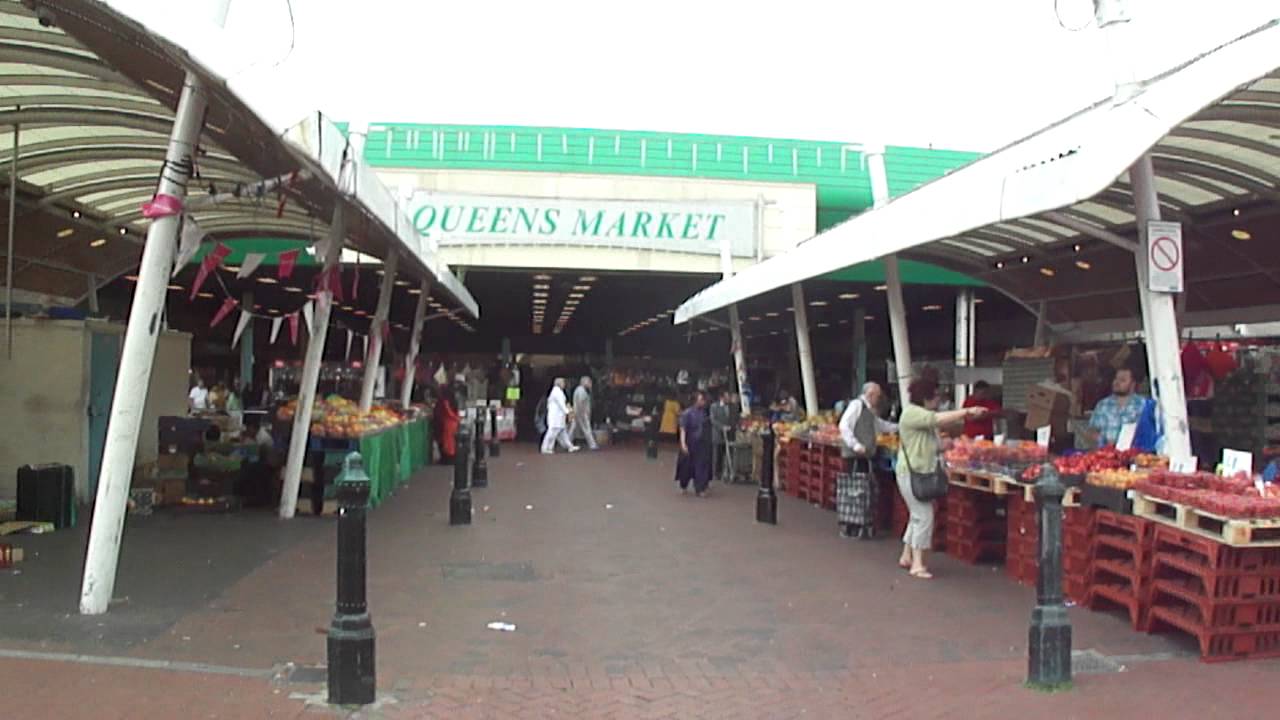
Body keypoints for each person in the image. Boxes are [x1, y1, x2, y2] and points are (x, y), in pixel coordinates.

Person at [896, 378, 988, 579]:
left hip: (916, 471)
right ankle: (918, 564)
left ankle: (907, 556)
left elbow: (931, 443)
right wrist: (967, 412)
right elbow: (935, 419)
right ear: (926, 397)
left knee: (916, 514)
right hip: (913, 472)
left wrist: (947, 445)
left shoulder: (918, 417)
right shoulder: (912, 413)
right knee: (925, 515)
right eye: (936, 395)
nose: (938, 400)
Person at [837, 382, 899, 539]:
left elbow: (879, 425)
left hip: (865, 455)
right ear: (870, 395)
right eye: (878, 396)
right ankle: (851, 523)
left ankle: (858, 521)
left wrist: (898, 427)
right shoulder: (857, 405)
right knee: (854, 490)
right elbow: (844, 425)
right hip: (855, 455)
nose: (879, 399)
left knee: (862, 490)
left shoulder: (869, 410)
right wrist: (856, 445)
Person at [1087, 367, 1147, 446]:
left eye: (1122, 380)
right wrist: (1103, 441)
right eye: (1116, 379)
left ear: (1133, 384)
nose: (1117, 382)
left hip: (1134, 453)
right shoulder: (1103, 404)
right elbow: (1092, 430)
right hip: (1107, 454)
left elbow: (1147, 431)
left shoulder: (1142, 404)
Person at [675, 390, 713, 496]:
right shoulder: (687, 413)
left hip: (701, 444)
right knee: (686, 466)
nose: (703, 402)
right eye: (701, 400)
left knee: (701, 465)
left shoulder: (704, 413)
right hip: (690, 442)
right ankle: (684, 485)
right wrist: (683, 444)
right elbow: (683, 429)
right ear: (695, 401)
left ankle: (700, 488)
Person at [541, 378, 579, 454]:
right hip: (555, 417)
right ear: (559, 383)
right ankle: (545, 448)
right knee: (552, 433)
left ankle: (569, 446)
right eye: (563, 382)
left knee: (562, 433)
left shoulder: (558, 391)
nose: (564, 384)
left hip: (558, 417)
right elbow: (561, 404)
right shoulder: (557, 392)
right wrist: (568, 411)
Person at [710, 390, 740, 482]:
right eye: (727, 397)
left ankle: (726, 472)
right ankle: (716, 473)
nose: (729, 399)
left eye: (729, 397)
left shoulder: (733, 407)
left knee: (728, 454)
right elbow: (713, 419)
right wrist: (722, 427)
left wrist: (733, 426)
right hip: (718, 434)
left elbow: (735, 418)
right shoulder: (714, 406)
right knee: (717, 454)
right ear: (722, 398)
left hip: (730, 434)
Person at [433, 384, 460, 464]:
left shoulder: (445, 400)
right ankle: (449, 458)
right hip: (451, 422)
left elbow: (448, 411)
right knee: (450, 442)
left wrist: (455, 418)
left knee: (447, 442)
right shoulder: (453, 399)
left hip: (447, 423)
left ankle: (447, 459)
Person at [572, 376, 599, 451]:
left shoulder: (579, 390)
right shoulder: (582, 391)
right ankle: (592, 444)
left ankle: (567, 442)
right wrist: (582, 413)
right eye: (589, 382)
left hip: (577, 412)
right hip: (582, 413)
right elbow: (580, 402)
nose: (590, 384)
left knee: (573, 428)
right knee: (587, 429)